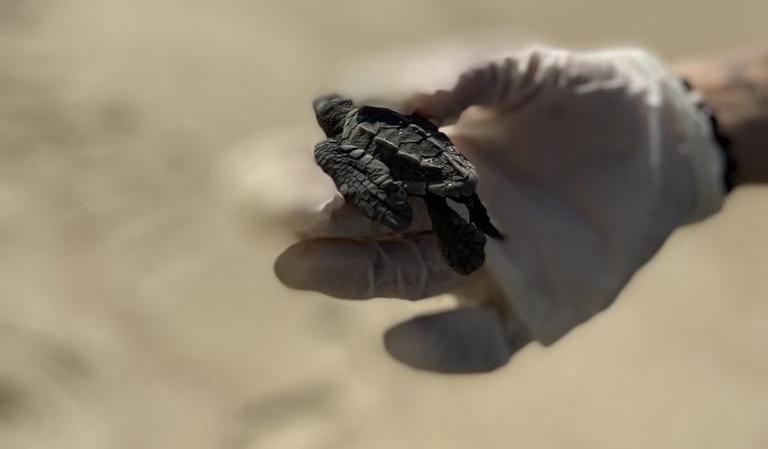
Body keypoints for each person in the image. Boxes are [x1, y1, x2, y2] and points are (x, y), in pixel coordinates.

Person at [272, 45, 768, 374]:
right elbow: (420, 132)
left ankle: (455, 222)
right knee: (459, 211)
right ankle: (468, 223)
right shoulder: (373, 120)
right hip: (451, 171)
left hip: (433, 179)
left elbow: (385, 149)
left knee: (427, 212)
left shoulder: (341, 142)